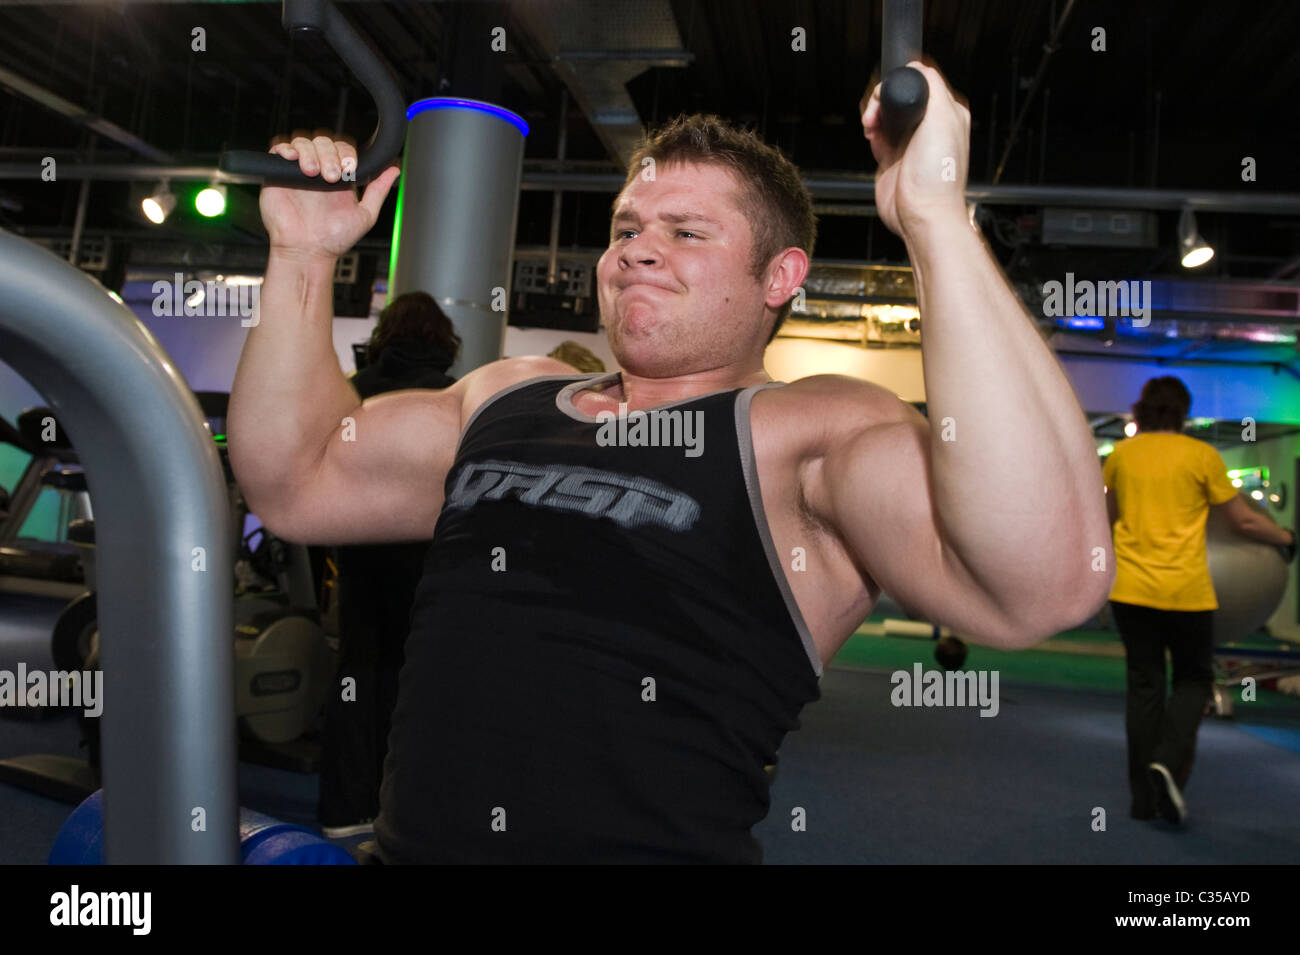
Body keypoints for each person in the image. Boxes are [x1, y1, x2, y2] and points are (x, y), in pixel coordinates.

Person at [230, 64, 1114, 863]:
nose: (637, 249)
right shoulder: (505, 396)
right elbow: (295, 479)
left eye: (688, 231)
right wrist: (302, 256)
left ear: (781, 277)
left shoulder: (805, 433)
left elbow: (1046, 581)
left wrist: (935, 222)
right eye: (627, 226)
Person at [1103, 376, 1295, 826]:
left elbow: (1109, 518)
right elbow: (1246, 522)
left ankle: (1142, 800)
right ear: (1184, 414)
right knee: (1192, 680)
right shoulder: (1201, 456)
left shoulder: (1120, 456)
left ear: (1142, 410)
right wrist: (1286, 537)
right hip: (1186, 595)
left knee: (1144, 686)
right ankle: (1167, 763)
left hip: (1131, 593)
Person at [318, 291, 461, 837]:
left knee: (355, 673)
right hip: (429, 559)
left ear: (385, 334)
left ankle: (343, 810)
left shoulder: (353, 394)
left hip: (360, 554)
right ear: (444, 340)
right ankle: (402, 813)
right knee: (418, 683)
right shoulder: (454, 400)